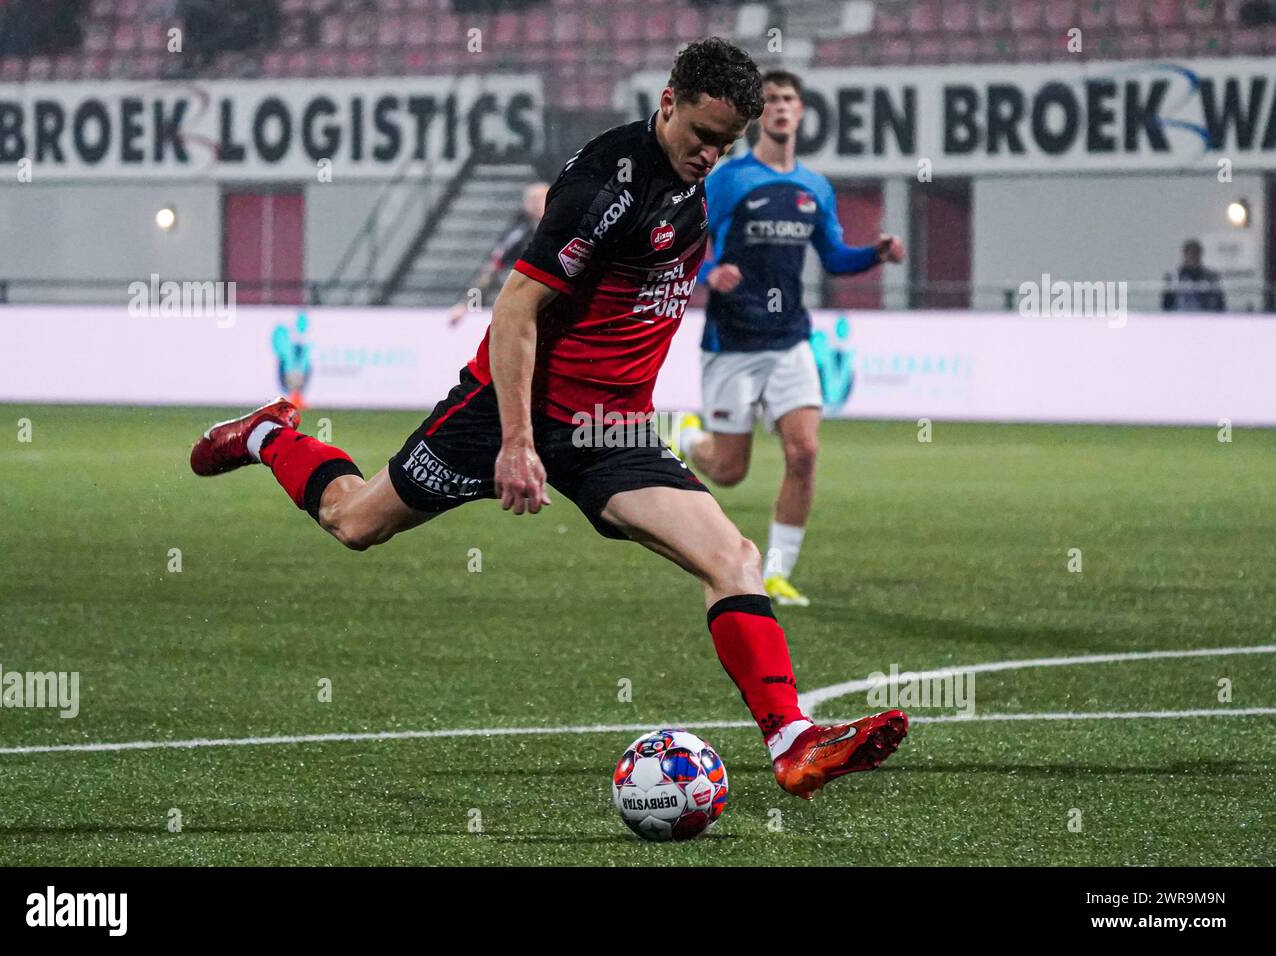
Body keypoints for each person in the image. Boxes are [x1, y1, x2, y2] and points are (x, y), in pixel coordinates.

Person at [189, 38, 906, 800]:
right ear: (668, 102)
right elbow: (516, 308)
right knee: (355, 521)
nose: (710, 155)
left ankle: (792, 740)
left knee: (733, 559)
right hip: (508, 408)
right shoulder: (606, 184)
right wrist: (516, 441)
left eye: (725, 144)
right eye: (702, 135)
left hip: (612, 430)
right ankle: (270, 435)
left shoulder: (696, 184)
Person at [673, 69, 905, 608]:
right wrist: (709, 273)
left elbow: (834, 258)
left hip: (790, 340)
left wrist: (874, 253)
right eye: (772, 99)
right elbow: (681, 243)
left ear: (800, 112)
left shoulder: (814, 187)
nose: (780, 107)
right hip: (732, 342)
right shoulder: (728, 180)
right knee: (729, 472)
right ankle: (689, 438)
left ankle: (776, 573)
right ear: (760, 113)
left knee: (804, 452)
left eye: (789, 99)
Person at [447, 181, 550, 326]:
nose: (536, 204)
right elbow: (492, 270)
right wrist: (466, 304)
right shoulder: (518, 234)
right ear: (525, 204)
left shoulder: (566, 228)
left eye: (540, 198)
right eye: (532, 199)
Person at [1162, 239, 1225, 312]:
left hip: (1205, 315)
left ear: (1200, 255)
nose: (1193, 257)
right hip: (1180, 316)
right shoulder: (1173, 276)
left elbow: (1219, 303)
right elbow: (1167, 305)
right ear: (1185, 255)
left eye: (1196, 254)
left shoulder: (1211, 276)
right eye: (1191, 254)